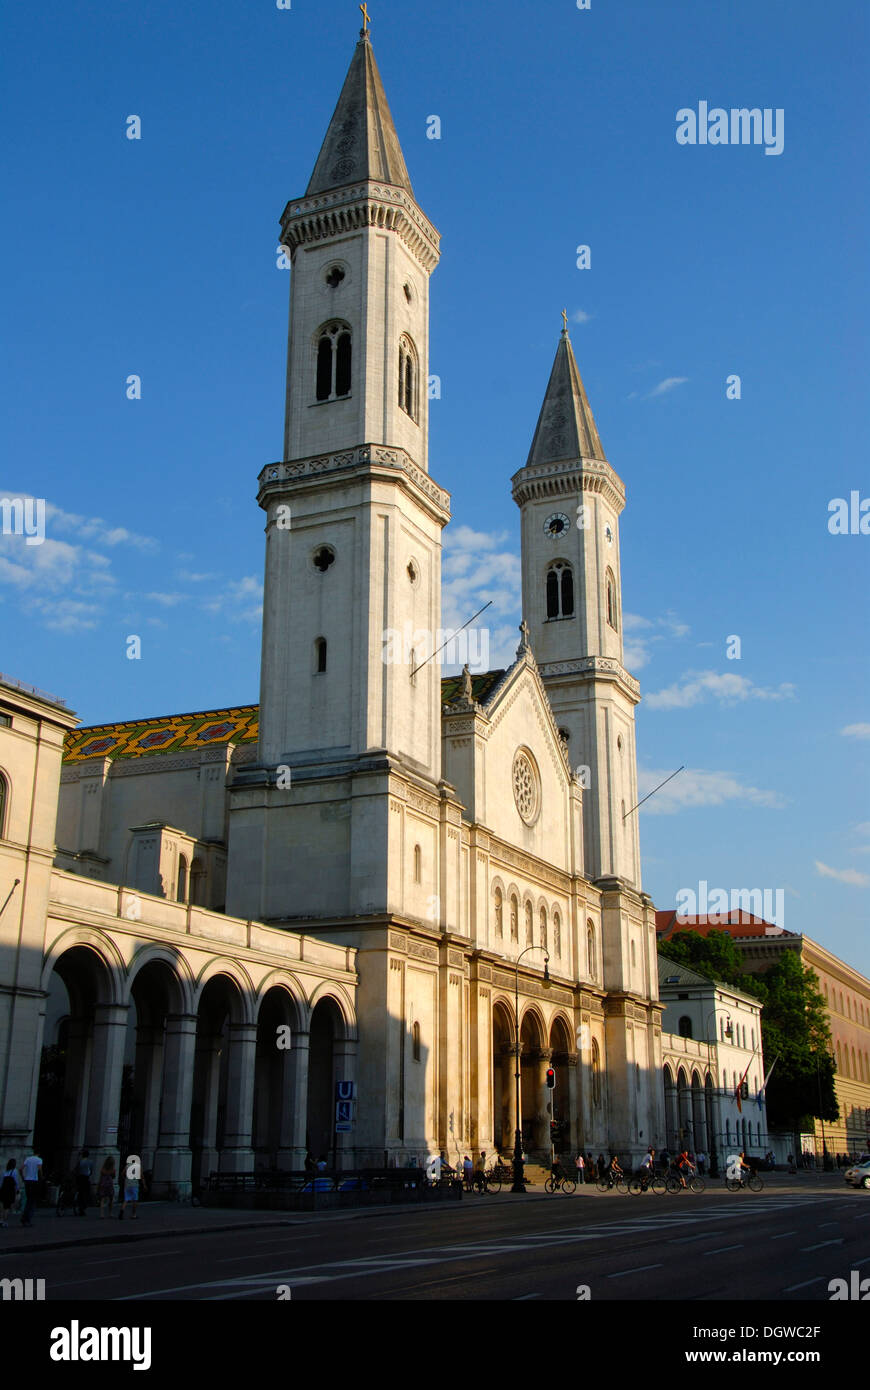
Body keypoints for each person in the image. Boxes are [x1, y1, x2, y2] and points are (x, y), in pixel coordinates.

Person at [20, 1150, 43, 1227]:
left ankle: (24, 1217)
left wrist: (23, 1177)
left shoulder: (28, 1159)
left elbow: (21, 1169)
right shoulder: (39, 1160)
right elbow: (39, 1170)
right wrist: (41, 1178)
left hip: (27, 1181)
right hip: (34, 1181)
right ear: (39, 1153)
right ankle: (27, 1219)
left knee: (28, 1199)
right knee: (32, 1201)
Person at [1, 1159, 20, 1227]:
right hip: (10, 1191)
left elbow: (1, 1182)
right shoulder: (14, 1171)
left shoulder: (5, 1171)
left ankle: (1, 1219)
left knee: (3, 1206)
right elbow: (16, 1182)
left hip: (3, 1190)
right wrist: (17, 1189)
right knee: (7, 1207)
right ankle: (4, 1221)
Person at [74, 1148, 93, 1216]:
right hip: (85, 1178)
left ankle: (79, 1205)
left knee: (80, 1191)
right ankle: (83, 1206)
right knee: (86, 1192)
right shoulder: (90, 1161)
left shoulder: (80, 1161)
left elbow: (76, 1169)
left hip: (79, 1177)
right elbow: (91, 1171)